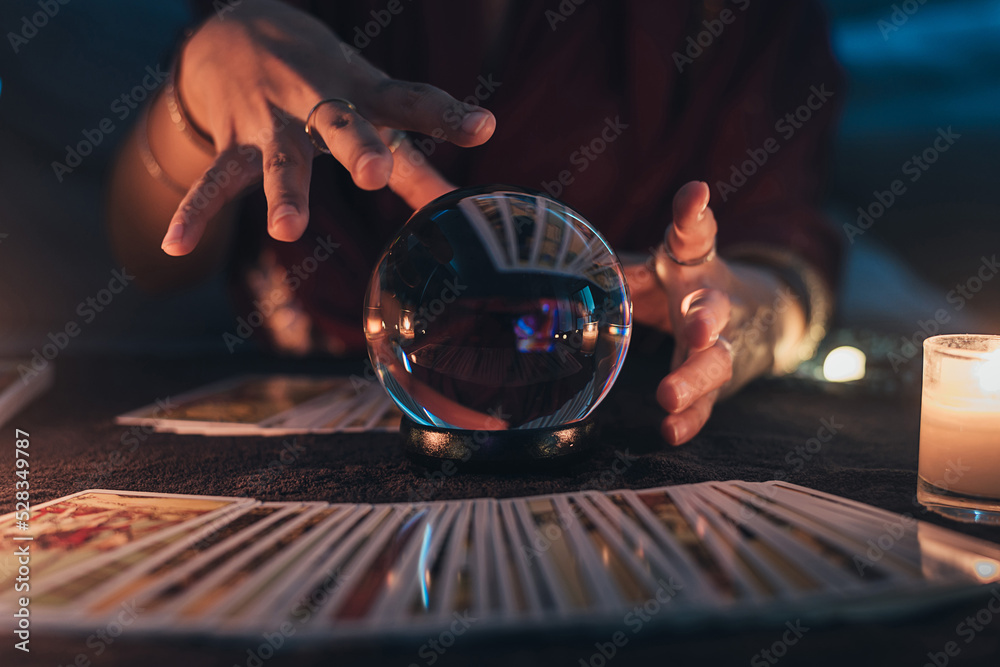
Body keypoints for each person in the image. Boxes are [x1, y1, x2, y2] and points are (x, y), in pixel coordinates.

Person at [107, 0, 844, 445]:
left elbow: (782, 244)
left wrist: (739, 317)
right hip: (298, 408)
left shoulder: (736, 19)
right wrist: (196, 97)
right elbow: (150, 263)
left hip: (600, 417)